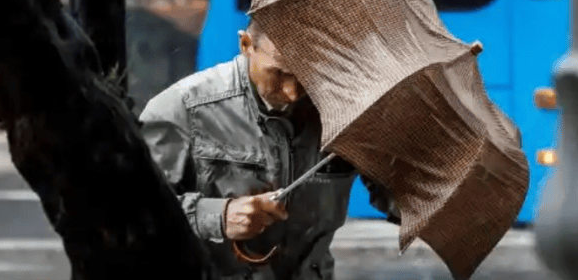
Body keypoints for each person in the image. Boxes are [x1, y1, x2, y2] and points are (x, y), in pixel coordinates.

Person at [139, 19, 399, 280]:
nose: (293, 91)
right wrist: (216, 216)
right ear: (246, 45)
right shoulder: (182, 110)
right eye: (279, 73)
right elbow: (130, 211)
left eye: (308, 73)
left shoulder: (344, 111)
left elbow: (398, 197)